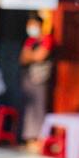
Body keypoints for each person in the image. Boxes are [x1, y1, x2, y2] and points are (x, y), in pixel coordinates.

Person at [19, 13, 53, 150]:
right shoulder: (29, 41)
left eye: (33, 24)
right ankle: (29, 137)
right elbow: (22, 58)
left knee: (39, 107)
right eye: (29, 25)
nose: (31, 27)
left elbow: (40, 56)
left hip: (40, 79)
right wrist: (32, 55)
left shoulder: (47, 39)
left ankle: (39, 138)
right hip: (28, 78)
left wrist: (31, 56)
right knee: (28, 109)